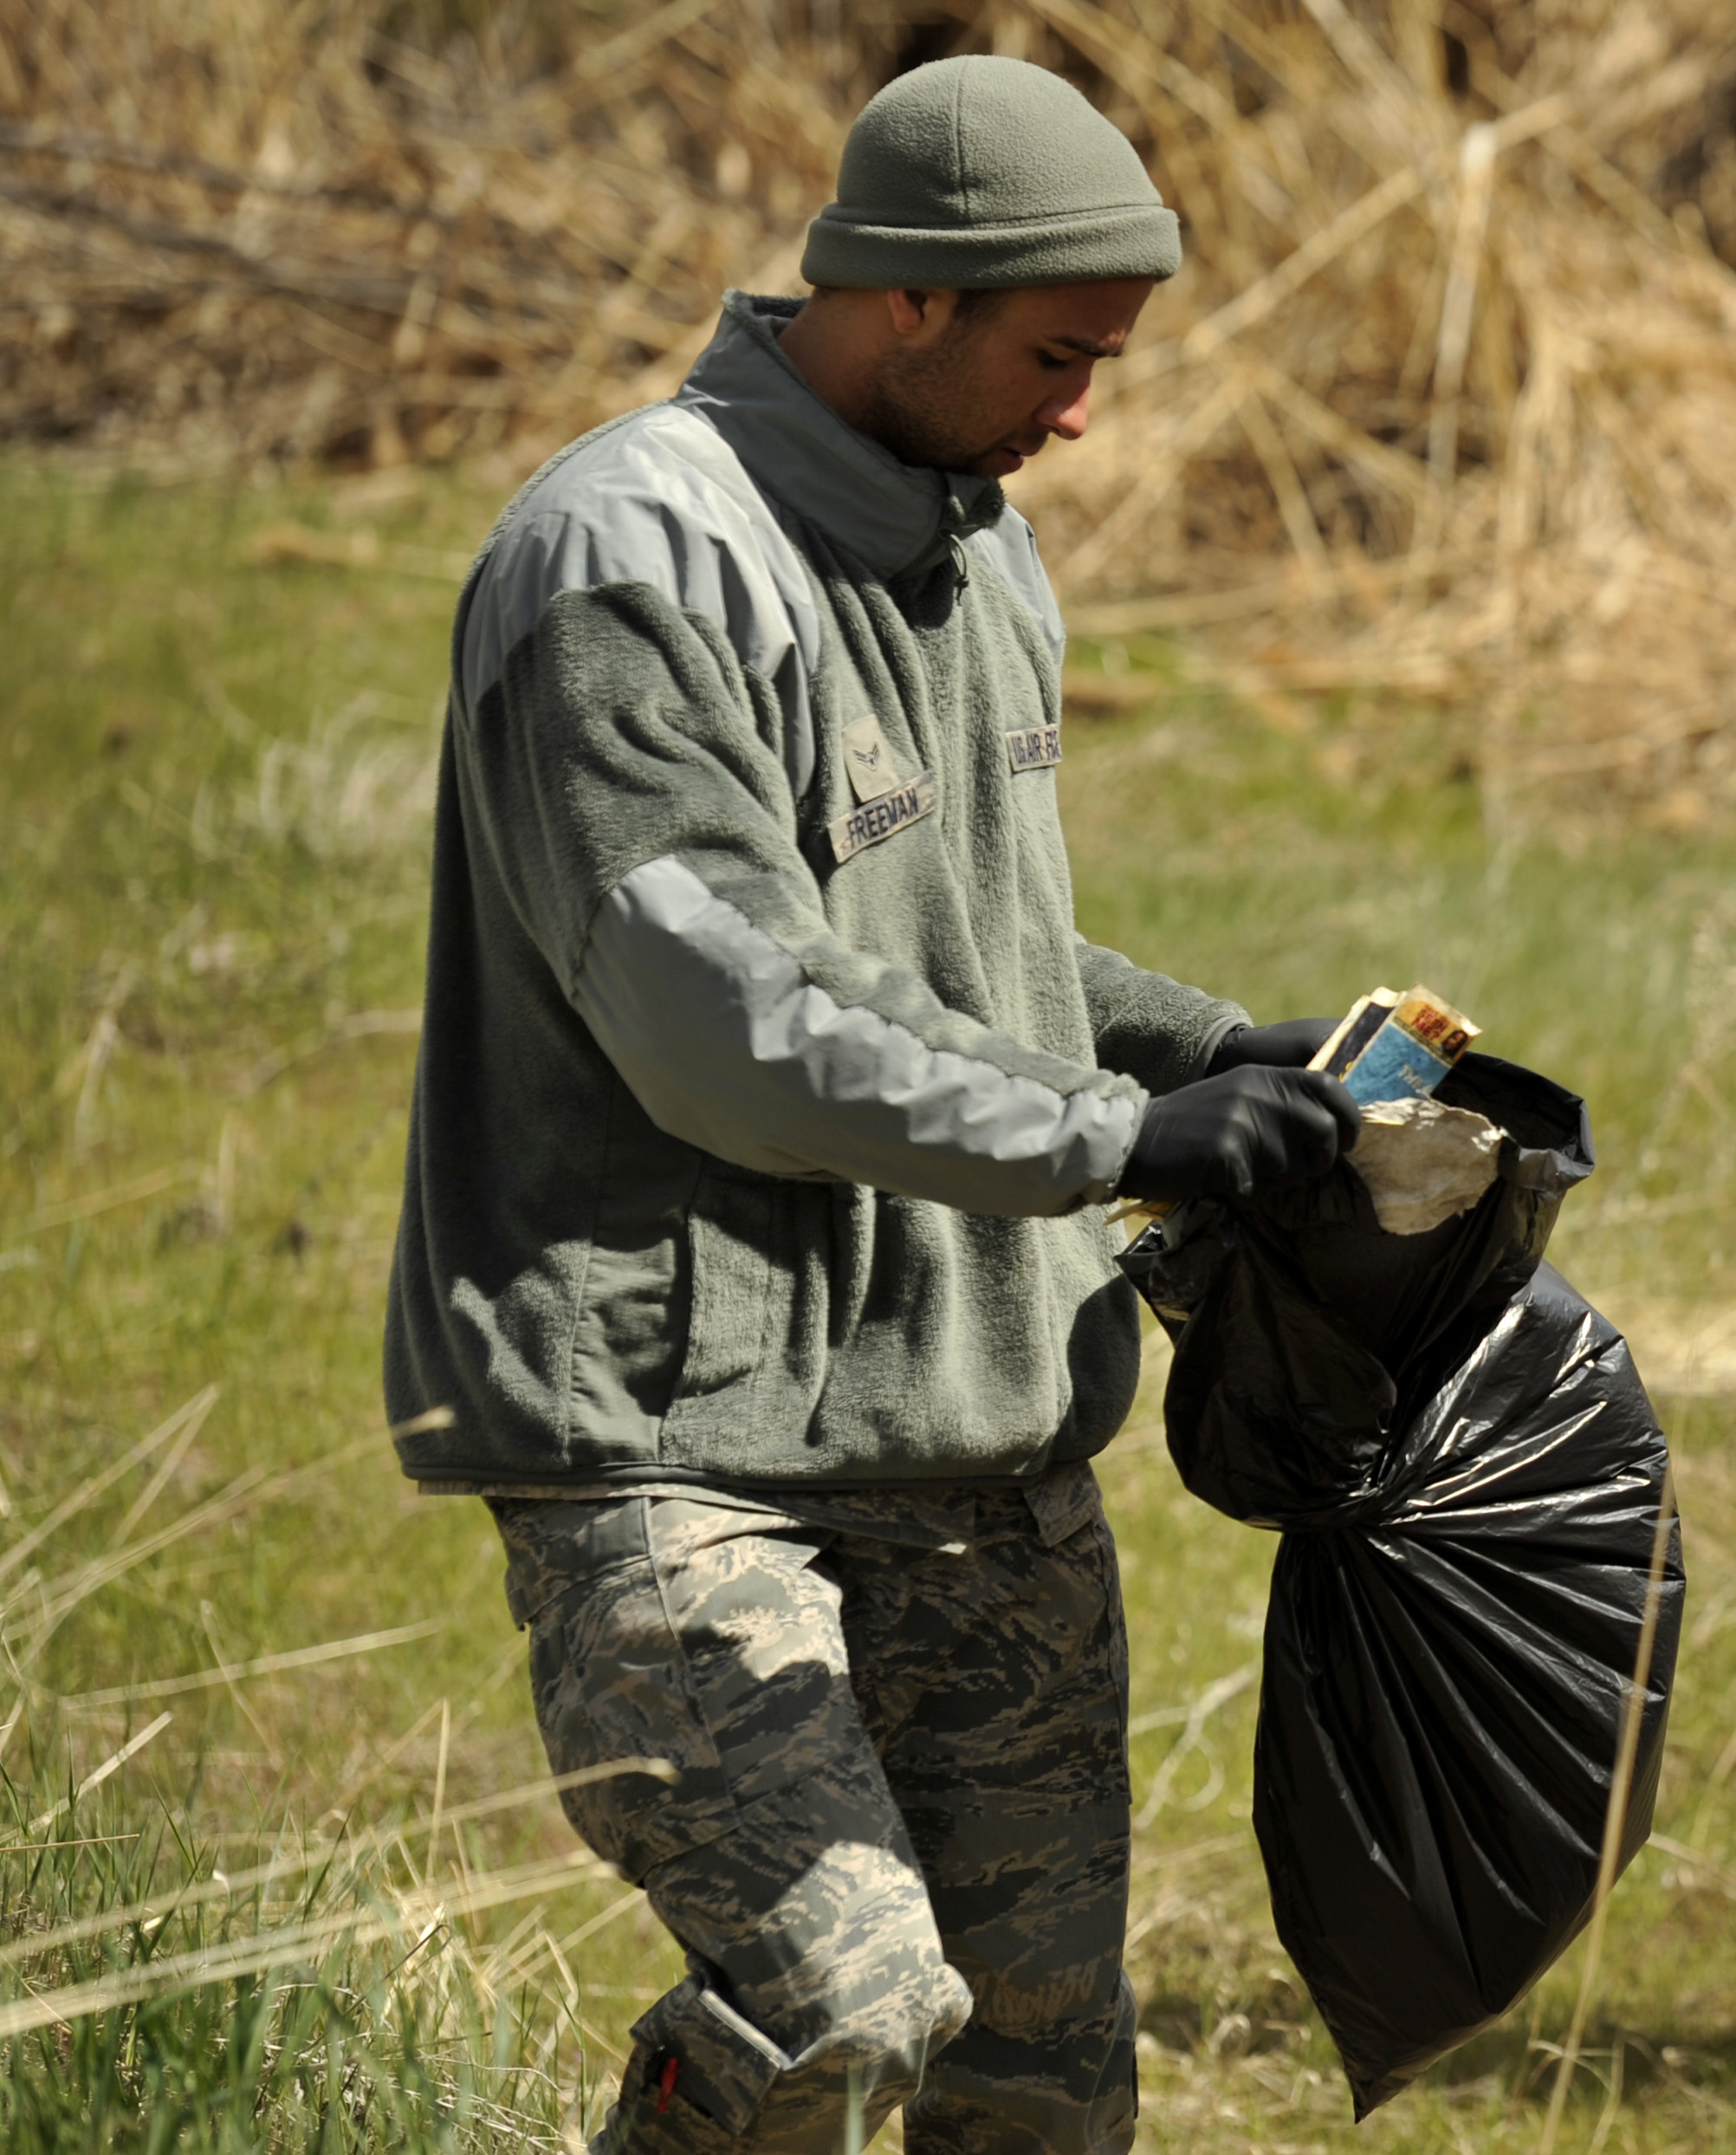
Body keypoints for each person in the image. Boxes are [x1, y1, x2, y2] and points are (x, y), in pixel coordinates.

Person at [381, 56, 1356, 2154]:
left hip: (975, 1425)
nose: (1083, 410)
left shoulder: (985, 556)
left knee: (1038, 2047)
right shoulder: (631, 561)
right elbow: (723, 1014)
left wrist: (1204, 1049)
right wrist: (1113, 1139)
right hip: (674, 1439)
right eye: (1059, 353)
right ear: (906, 297)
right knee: (845, 2002)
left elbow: (965, 956)